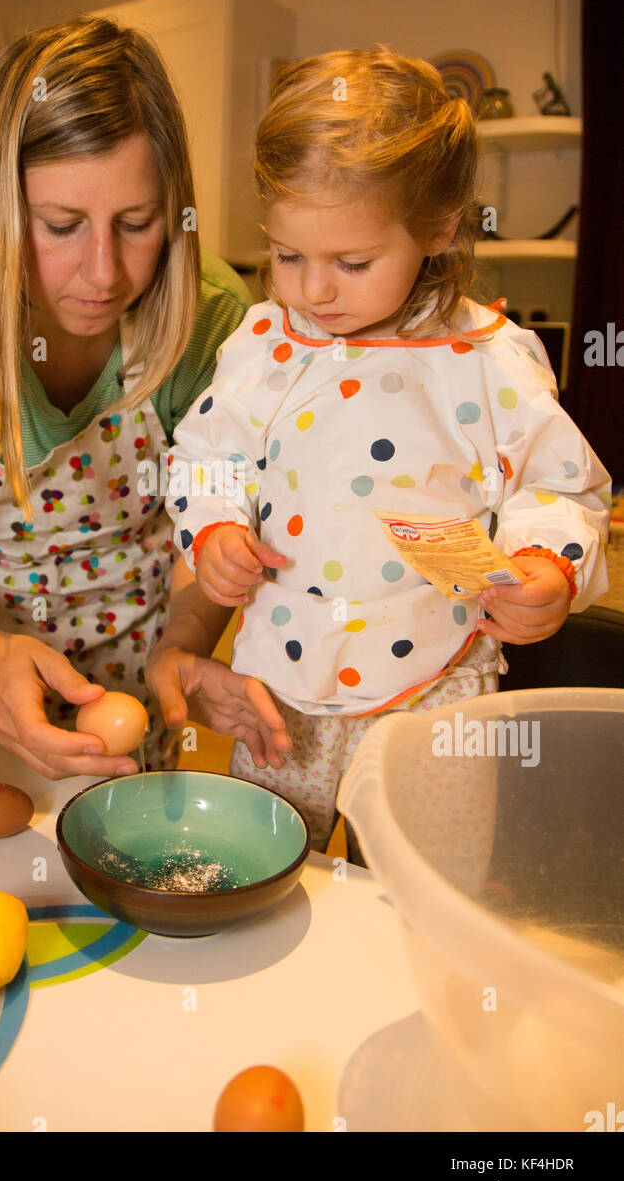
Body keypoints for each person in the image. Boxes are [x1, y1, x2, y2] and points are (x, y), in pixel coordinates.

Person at [164, 45, 611, 853]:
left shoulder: (489, 354)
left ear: (438, 227)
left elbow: (558, 487)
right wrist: (215, 529)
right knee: (261, 871)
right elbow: (205, 454)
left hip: (439, 692)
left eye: (353, 261)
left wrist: (549, 566)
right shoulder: (266, 340)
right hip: (284, 689)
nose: (313, 290)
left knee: (423, 890)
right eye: (288, 255)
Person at [0, 14, 291, 781]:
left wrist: (184, 647)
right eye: (59, 225)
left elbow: (211, 521)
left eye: (137, 223)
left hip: (140, 694)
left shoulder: (211, 315)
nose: (104, 273)